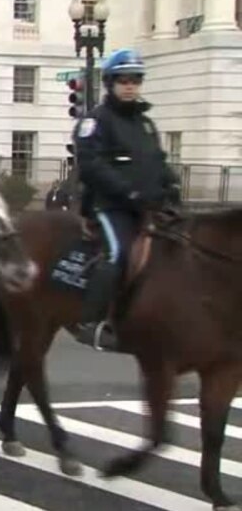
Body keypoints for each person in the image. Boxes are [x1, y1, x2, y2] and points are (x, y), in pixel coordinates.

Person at [71, 47, 180, 351]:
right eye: (123, 80)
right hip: (111, 206)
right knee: (117, 254)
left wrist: (171, 186)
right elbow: (91, 166)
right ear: (110, 83)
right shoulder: (95, 121)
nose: (130, 85)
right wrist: (129, 193)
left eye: (135, 79)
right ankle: (91, 324)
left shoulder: (145, 124)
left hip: (150, 206)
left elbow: (157, 161)